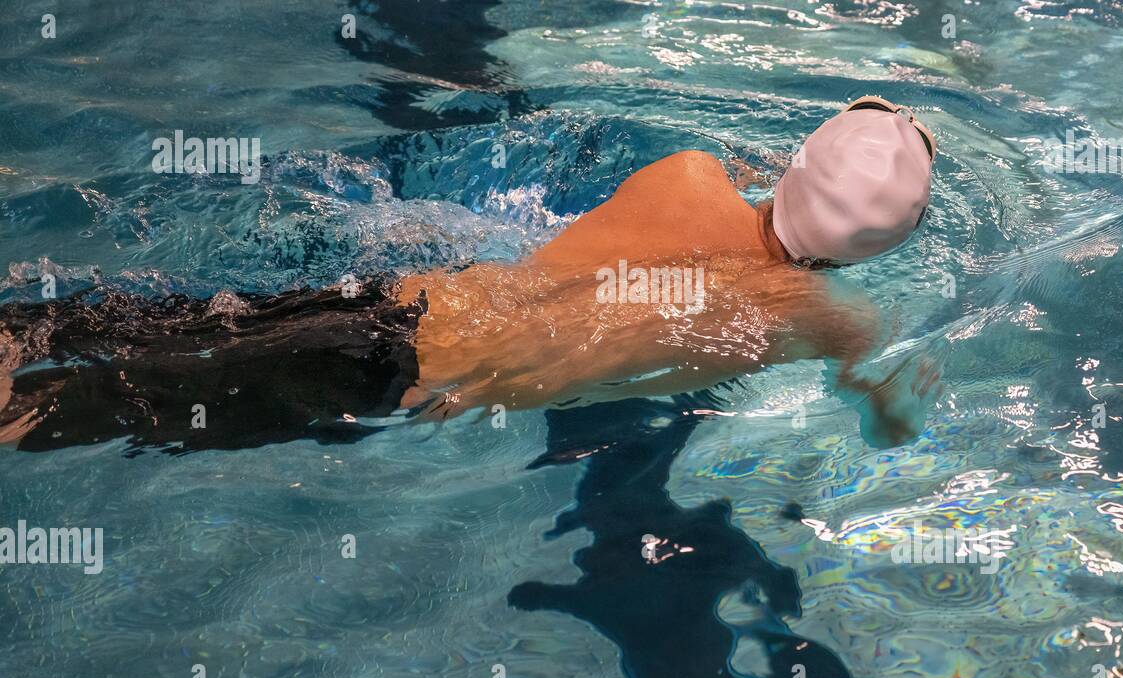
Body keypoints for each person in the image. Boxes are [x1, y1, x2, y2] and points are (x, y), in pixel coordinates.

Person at [0, 95, 936, 453]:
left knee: (100, 330)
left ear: (796, 159)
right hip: (402, 383)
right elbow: (889, 429)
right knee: (82, 408)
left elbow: (746, 192)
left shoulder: (686, 172)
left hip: (398, 302)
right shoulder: (830, 316)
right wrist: (910, 385)